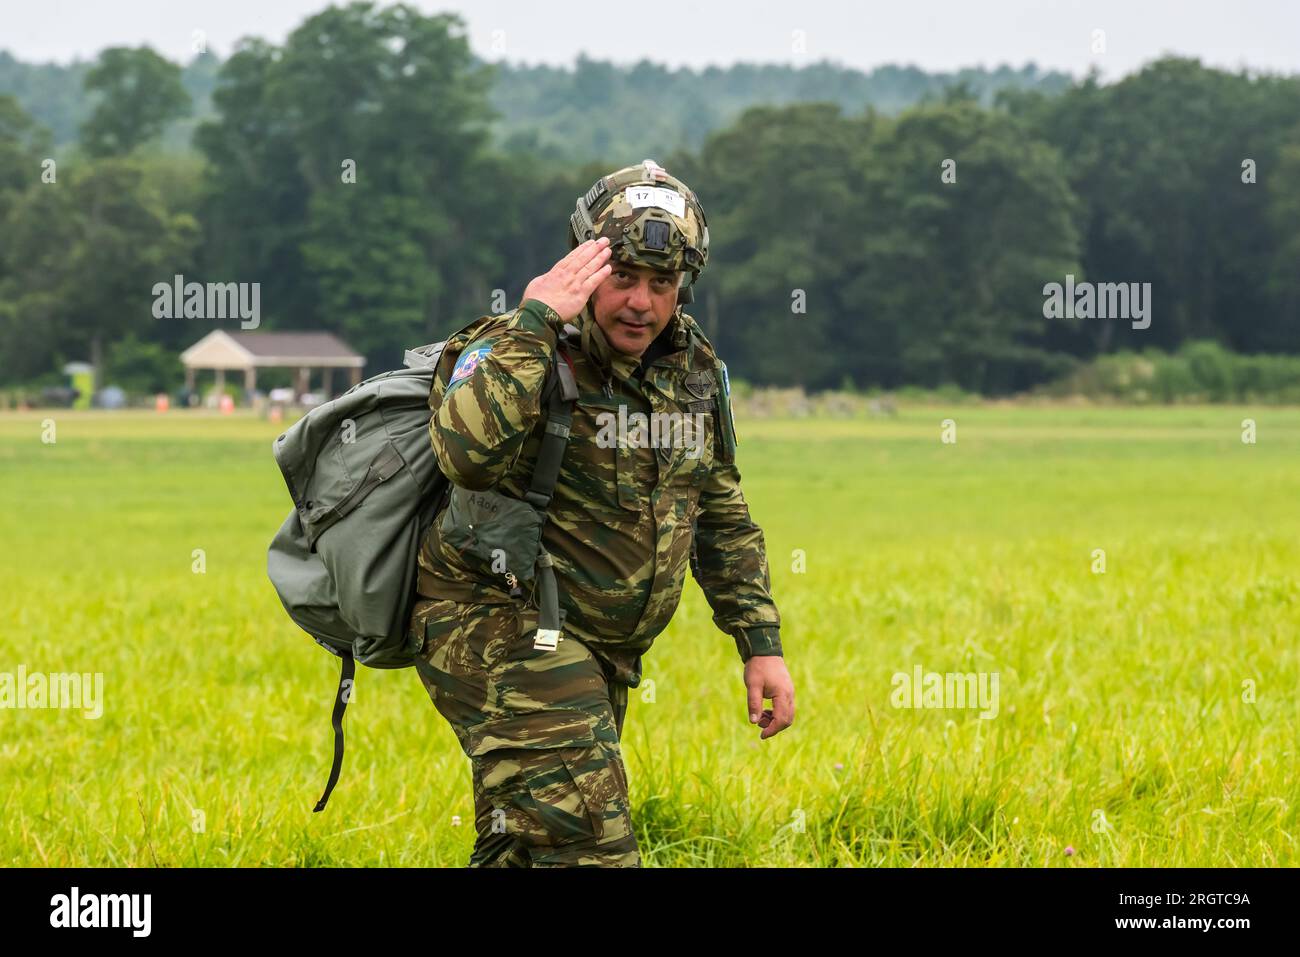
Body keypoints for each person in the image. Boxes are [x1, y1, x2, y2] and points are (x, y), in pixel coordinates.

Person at [409, 159, 794, 867]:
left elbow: (717, 507)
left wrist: (759, 641)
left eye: (662, 284)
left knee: (522, 849)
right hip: (494, 626)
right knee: (593, 845)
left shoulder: (690, 369)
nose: (641, 302)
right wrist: (532, 320)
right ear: (584, 268)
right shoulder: (516, 346)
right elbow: (464, 455)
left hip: (593, 653)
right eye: (623, 277)